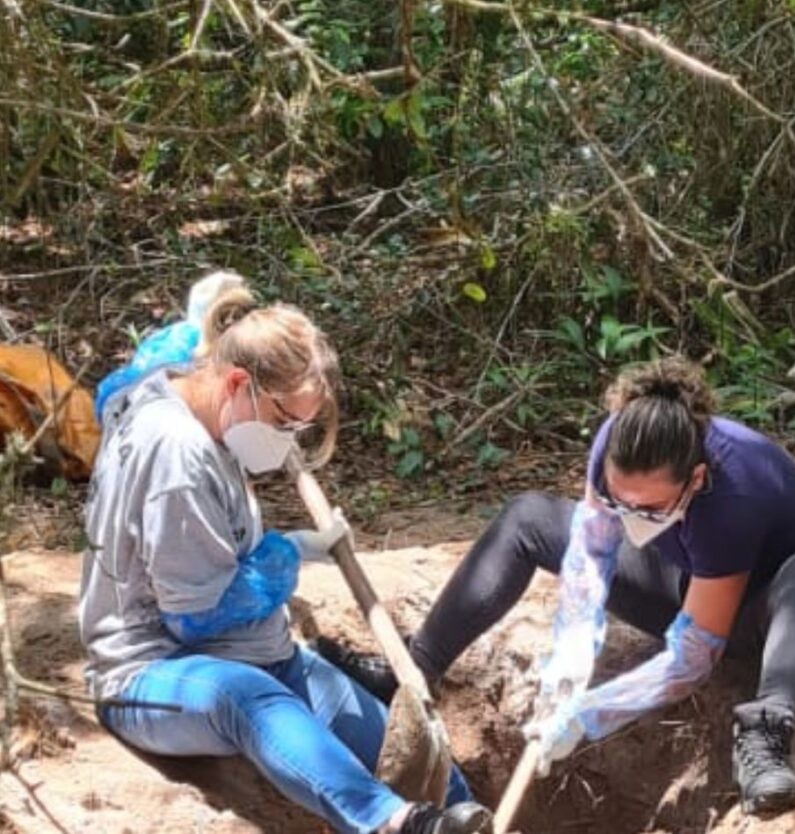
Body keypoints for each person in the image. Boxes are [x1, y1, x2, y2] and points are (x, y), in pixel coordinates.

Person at [319, 356, 795, 818]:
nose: (629, 514)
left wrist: (593, 714)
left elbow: (695, 655)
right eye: (621, 498)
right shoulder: (615, 446)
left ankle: (767, 738)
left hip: (772, 613)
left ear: (695, 479)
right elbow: (588, 557)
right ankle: (414, 668)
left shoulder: (734, 495)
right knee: (529, 517)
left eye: (647, 505)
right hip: (685, 576)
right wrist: (569, 665)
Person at [79, 280, 492, 834]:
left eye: (301, 426)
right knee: (246, 699)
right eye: (284, 423)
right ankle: (392, 824)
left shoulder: (184, 381)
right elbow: (194, 616)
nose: (289, 440)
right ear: (235, 383)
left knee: (426, 763)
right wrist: (286, 557)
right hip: (151, 673)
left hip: (265, 653)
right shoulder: (177, 455)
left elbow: (166, 350)